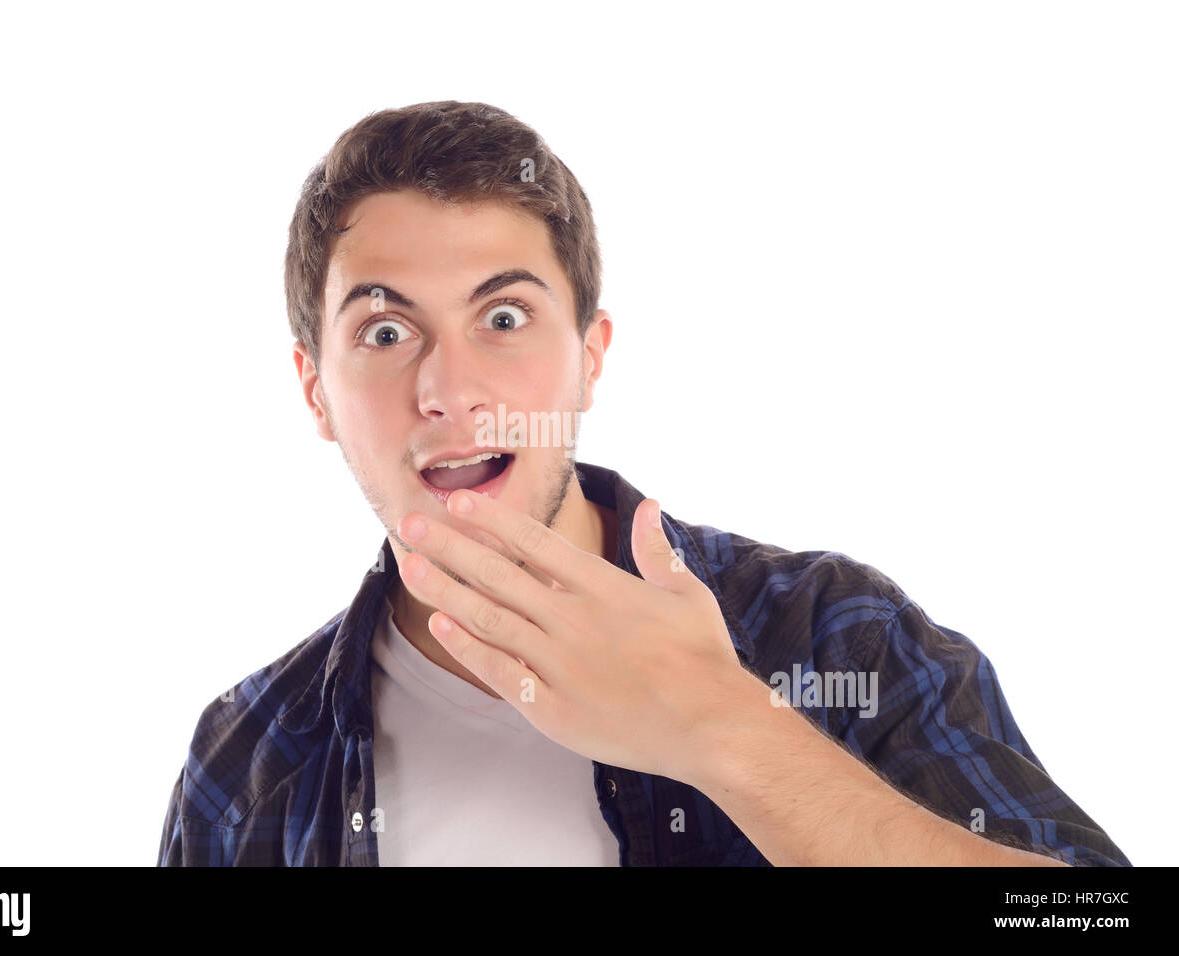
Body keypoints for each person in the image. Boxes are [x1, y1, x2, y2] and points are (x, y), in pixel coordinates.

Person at [156, 100, 1129, 867]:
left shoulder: (838, 635)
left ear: (589, 356)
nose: (449, 391)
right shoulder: (244, 762)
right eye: (383, 331)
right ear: (315, 391)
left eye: (503, 317)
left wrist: (726, 728)